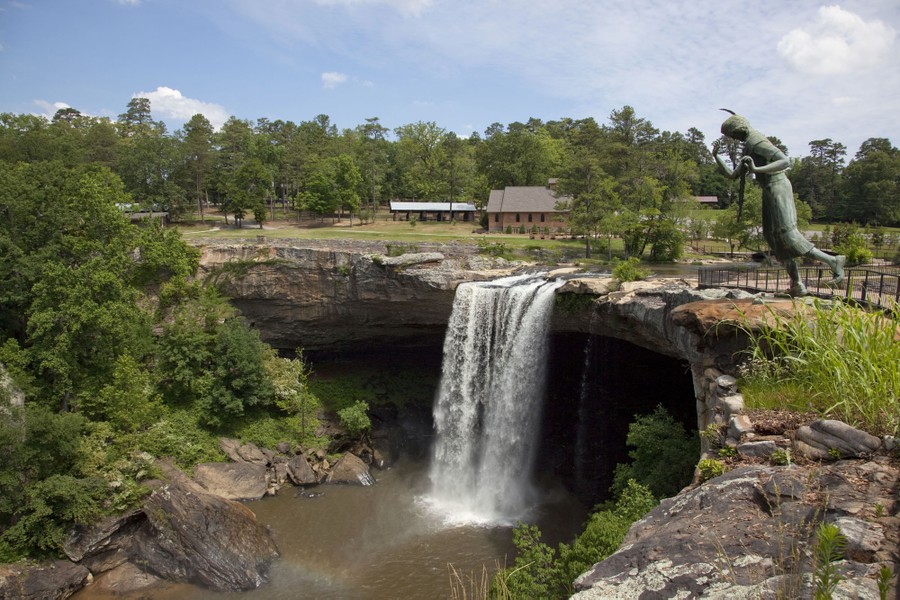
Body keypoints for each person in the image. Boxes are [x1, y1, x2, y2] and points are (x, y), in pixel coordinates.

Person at [711, 111, 845, 296]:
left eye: (733, 134)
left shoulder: (757, 141)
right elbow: (733, 175)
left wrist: (757, 169)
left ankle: (833, 261)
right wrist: (716, 156)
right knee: (773, 238)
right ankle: (797, 284)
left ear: (740, 127)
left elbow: (784, 161)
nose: (734, 138)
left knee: (787, 235)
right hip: (768, 191)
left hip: (778, 187)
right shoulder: (748, 145)